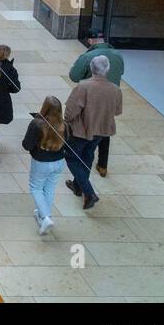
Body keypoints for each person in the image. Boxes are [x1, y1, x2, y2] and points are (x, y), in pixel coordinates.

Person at [63, 54, 122, 210]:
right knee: (88, 155)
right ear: (107, 69)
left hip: (82, 131)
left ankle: (88, 192)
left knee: (71, 157)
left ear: (91, 68)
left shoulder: (84, 87)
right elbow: (117, 111)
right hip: (102, 130)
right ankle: (78, 186)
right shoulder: (115, 89)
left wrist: (68, 121)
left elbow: (70, 112)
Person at [68, 32, 125, 177]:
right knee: (104, 132)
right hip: (110, 101)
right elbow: (121, 73)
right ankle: (102, 165)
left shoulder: (88, 57)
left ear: (90, 40)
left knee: (84, 143)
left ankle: (81, 179)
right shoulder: (118, 56)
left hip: (91, 102)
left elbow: (74, 76)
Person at [22, 96, 68, 234]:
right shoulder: (65, 125)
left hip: (41, 162)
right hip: (59, 162)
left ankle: (46, 217)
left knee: (36, 188)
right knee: (50, 187)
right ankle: (44, 216)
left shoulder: (37, 124)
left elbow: (26, 145)